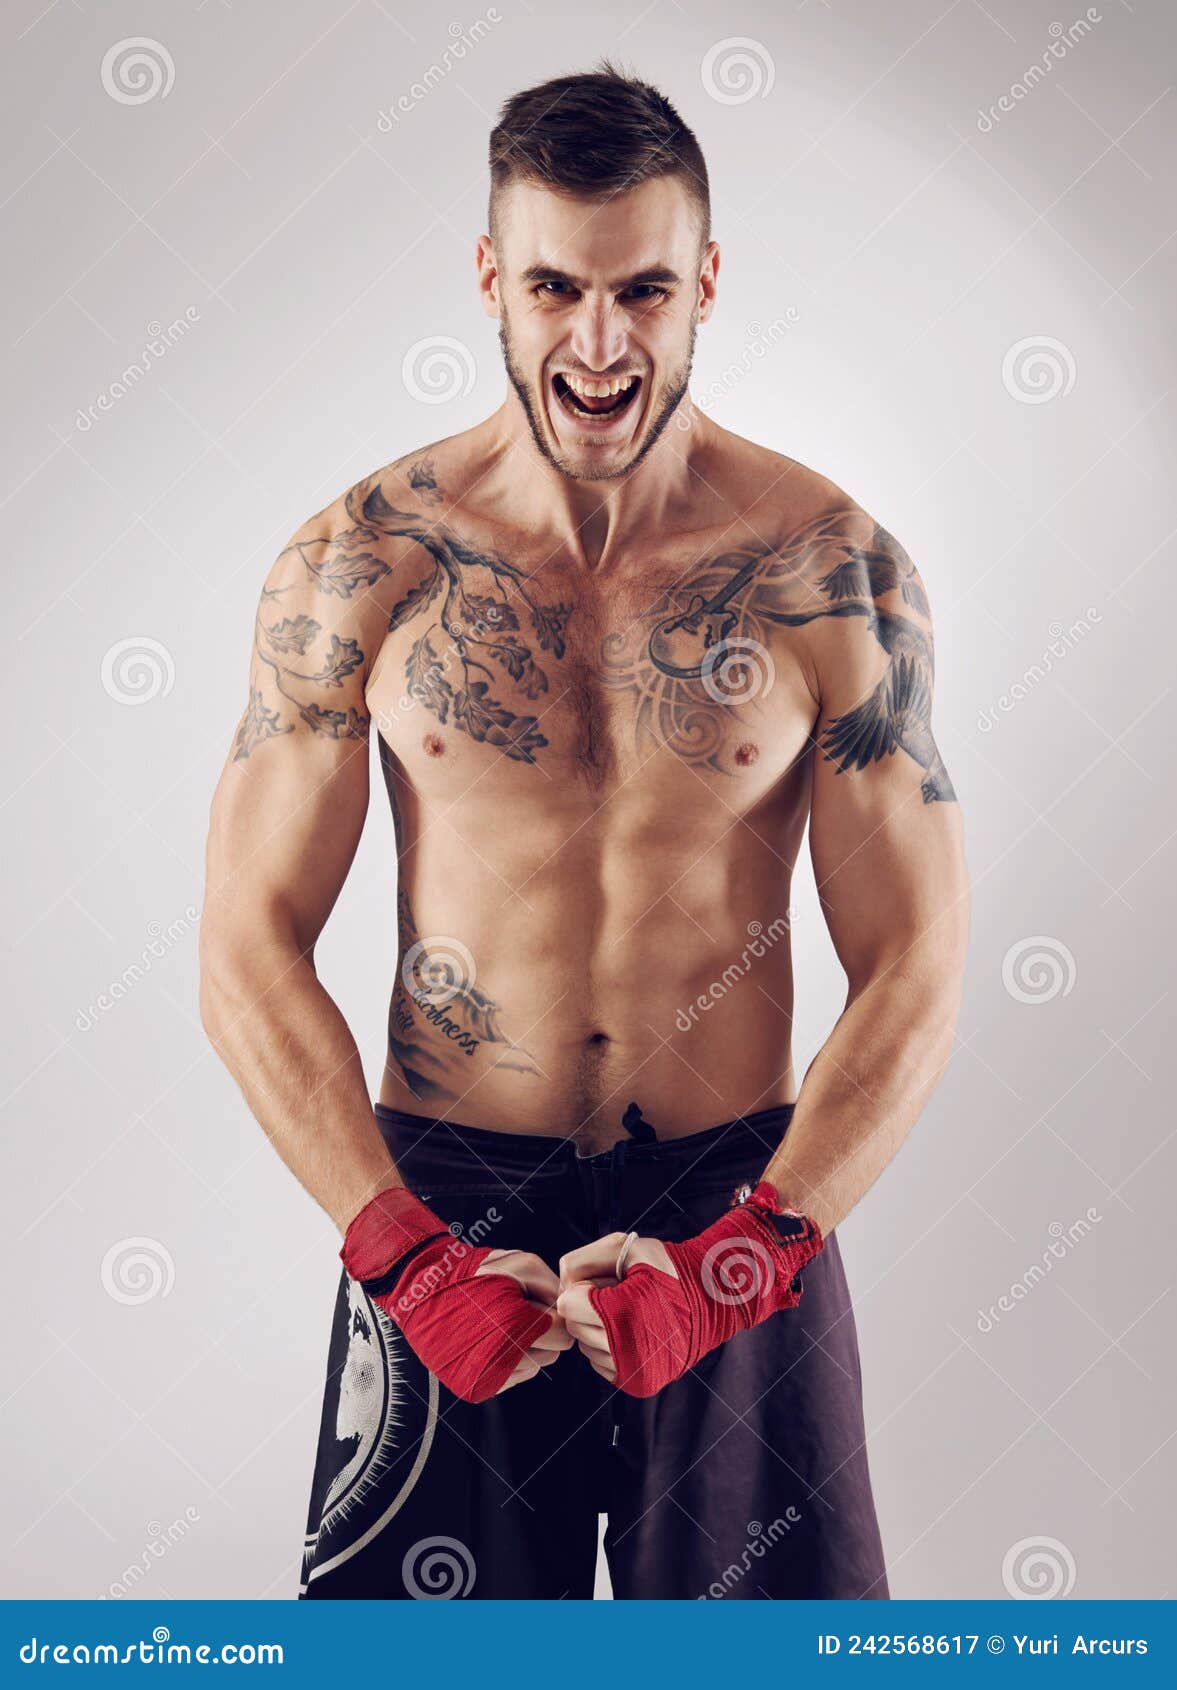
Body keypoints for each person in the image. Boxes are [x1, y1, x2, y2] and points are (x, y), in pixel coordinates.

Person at [199, 63, 970, 1601]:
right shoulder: (363, 565)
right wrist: (399, 1251)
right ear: (491, 278)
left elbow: (916, 960)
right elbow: (244, 947)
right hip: (449, 1208)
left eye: (644, 291)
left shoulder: (827, 570)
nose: (600, 344)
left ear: (707, 285)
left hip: (736, 1199)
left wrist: (750, 1253)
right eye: (556, 287)